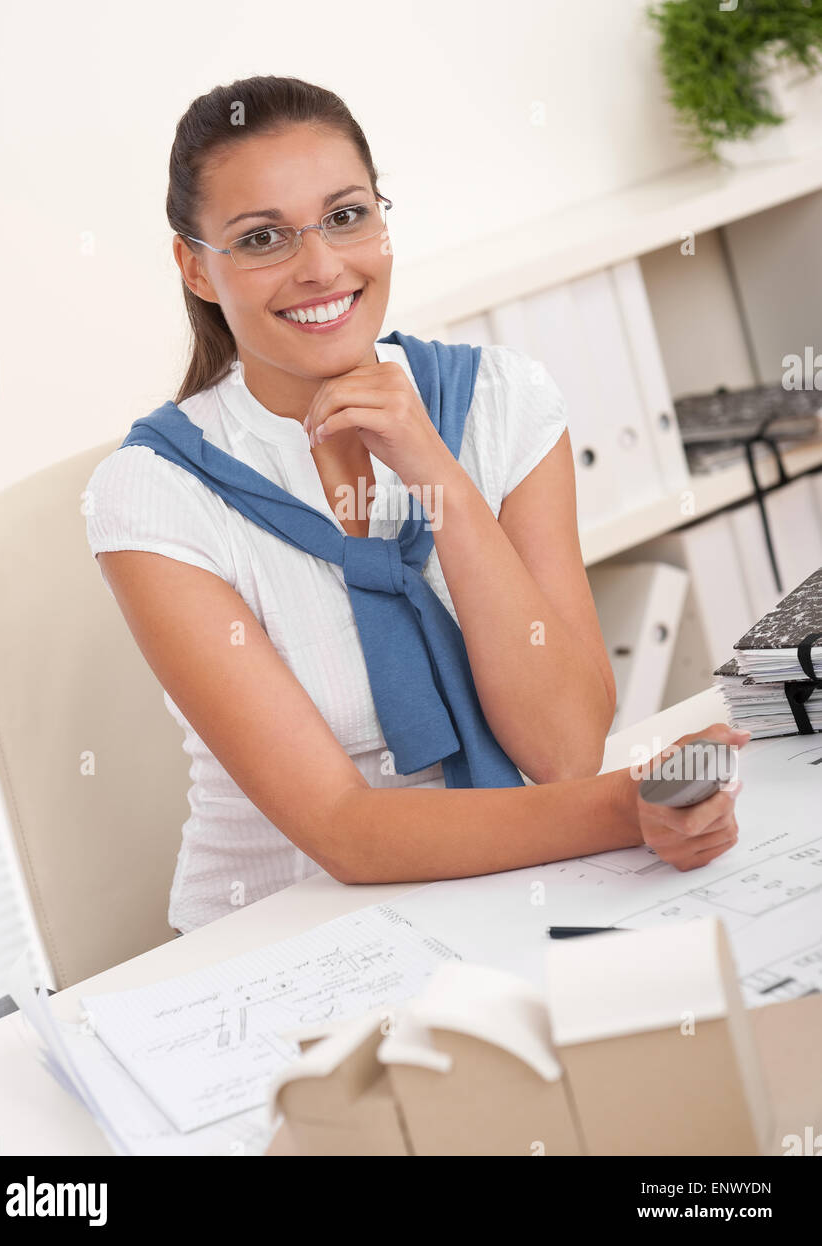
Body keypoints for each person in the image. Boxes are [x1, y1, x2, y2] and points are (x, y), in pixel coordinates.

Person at [85, 74, 746, 935]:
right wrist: (631, 810)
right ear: (197, 268)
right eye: (261, 238)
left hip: (509, 892)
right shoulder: (155, 493)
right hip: (281, 935)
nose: (321, 267)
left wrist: (437, 473)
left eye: (347, 216)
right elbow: (344, 830)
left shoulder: (505, 401)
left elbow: (564, 749)